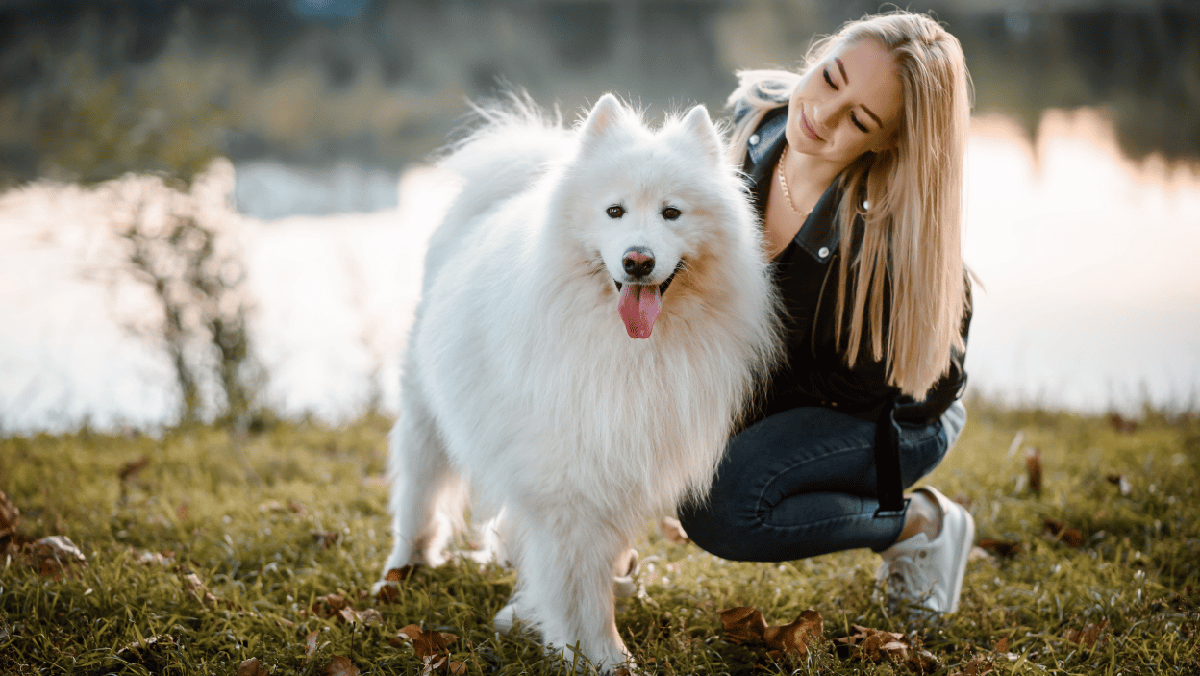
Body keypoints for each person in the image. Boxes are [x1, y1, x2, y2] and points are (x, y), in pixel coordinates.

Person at [675, 10, 976, 614]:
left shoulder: (883, 239)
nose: (821, 115)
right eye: (831, 77)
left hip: (887, 412)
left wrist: (691, 424)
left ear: (890, 141)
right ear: (819, 53)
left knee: (723, 505)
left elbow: (856, 392)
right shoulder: (754, 119)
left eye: (859, 119)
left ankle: (919, 525)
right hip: (780, 385)